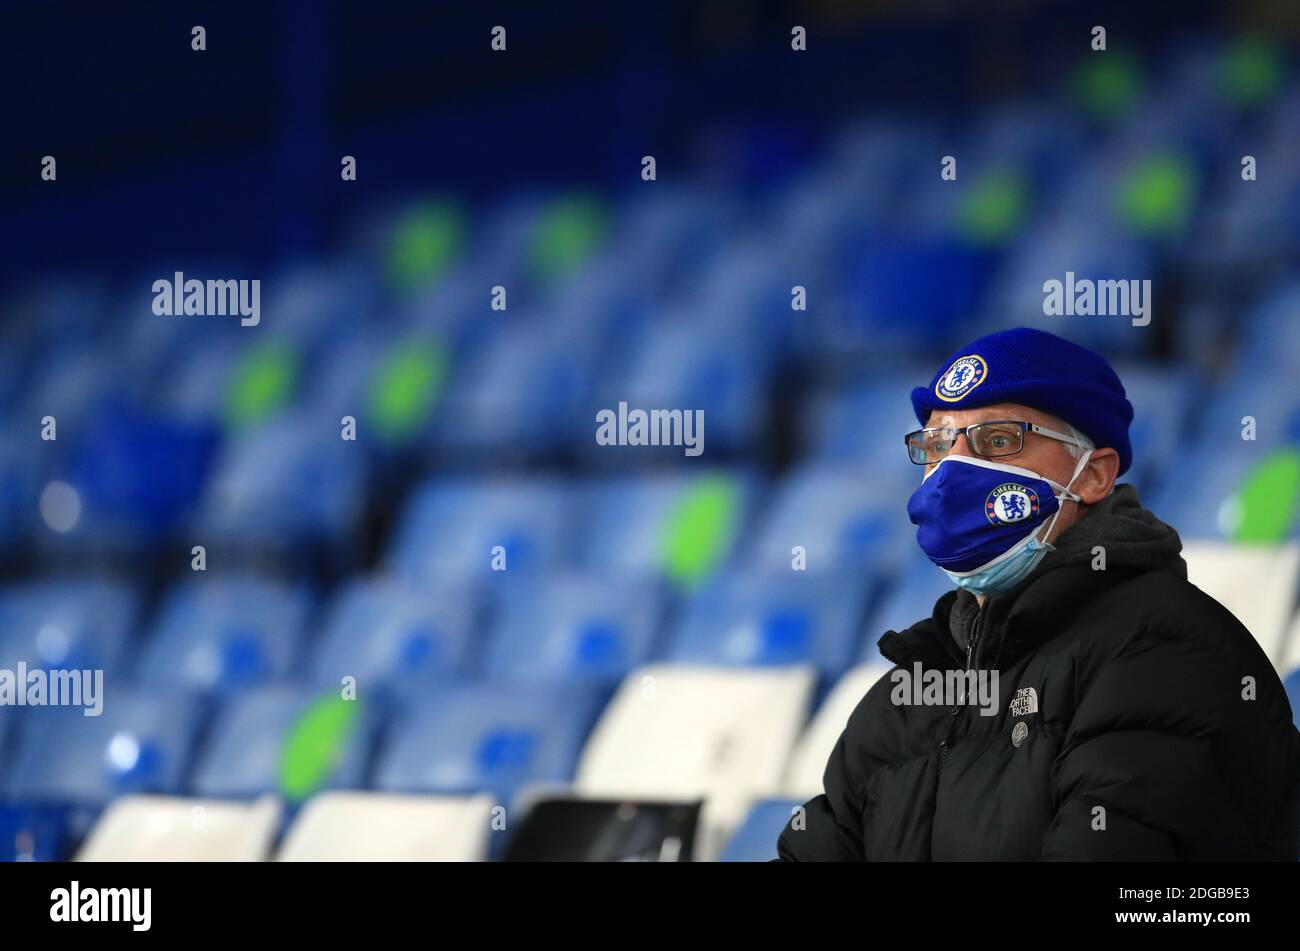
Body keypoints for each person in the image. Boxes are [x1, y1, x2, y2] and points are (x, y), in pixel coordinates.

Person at [777, 327, 1300, 860]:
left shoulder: (1170, 653)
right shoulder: (913, 691)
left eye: (998, 442)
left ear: (1093, 475)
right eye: (938, 447)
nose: (952, 472)